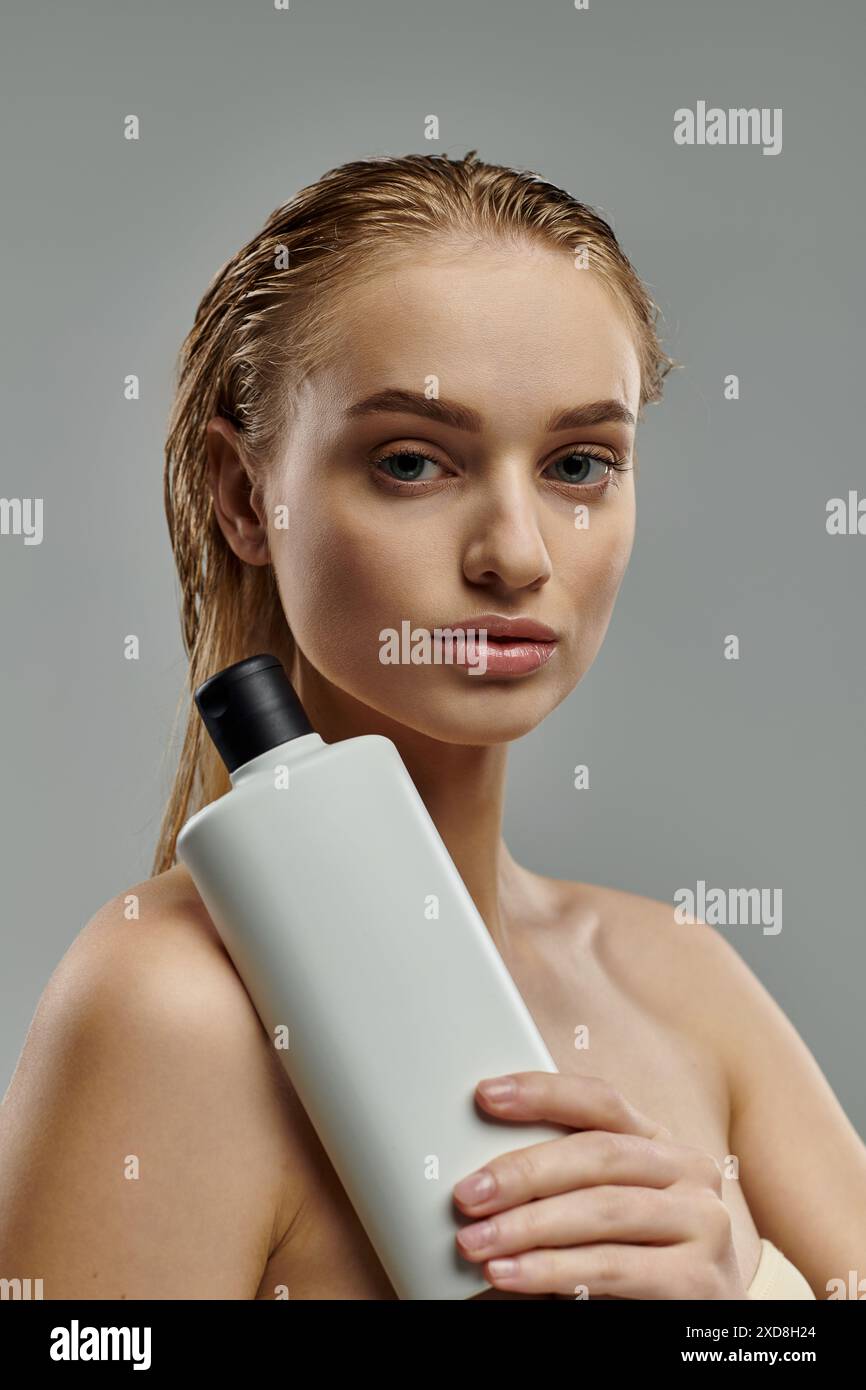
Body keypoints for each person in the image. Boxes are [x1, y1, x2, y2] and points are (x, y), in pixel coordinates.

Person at [2, 152, 862, 1300]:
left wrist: (743, 1313)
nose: (516, 551)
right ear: (245, 496)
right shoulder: (174, 1007)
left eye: (577, 464)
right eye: (411, 461)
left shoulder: (680, 977)